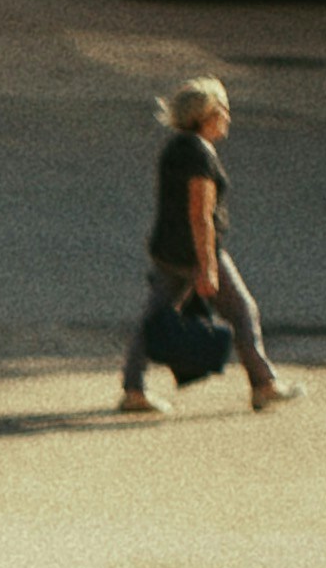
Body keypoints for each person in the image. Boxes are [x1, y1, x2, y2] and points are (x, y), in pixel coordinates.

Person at [119, 74, 298, 416]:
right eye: (223, 111)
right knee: (243, 311)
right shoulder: (200, 156)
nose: (228, 118)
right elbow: (200, 215)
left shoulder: (176, 147)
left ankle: (133, 389)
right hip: (192, 253)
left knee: (153, 319)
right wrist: (207, 267)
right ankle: (263, 385)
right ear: (206, 115)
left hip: (167, 249)